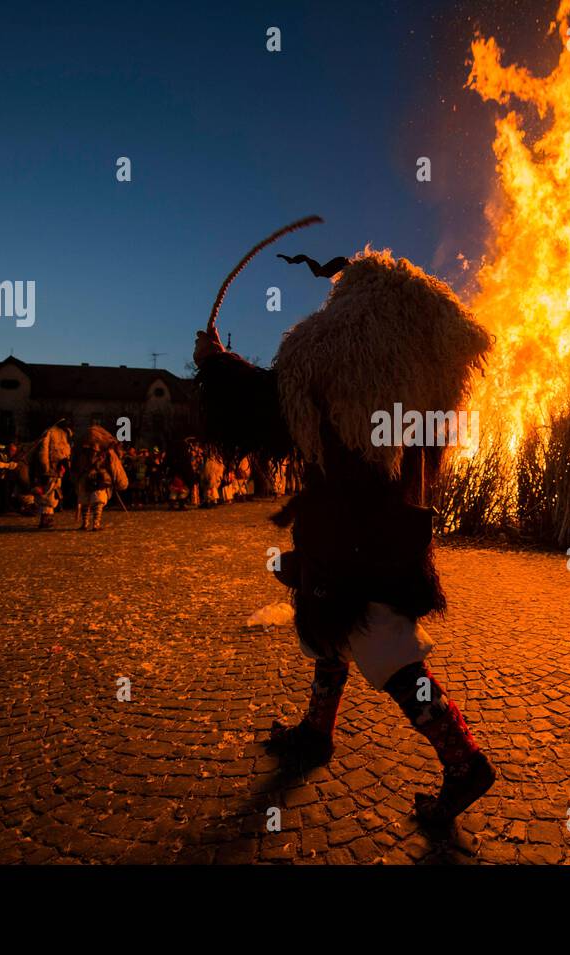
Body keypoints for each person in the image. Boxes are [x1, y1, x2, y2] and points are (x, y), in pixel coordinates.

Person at [195, 243, 495, 825]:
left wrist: (217, 362)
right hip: (387, 523)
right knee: (328, 630)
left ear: (352, 292)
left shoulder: (331, 344)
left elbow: (274, 408)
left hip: (352, 529)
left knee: (390, 656)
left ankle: (463, 761)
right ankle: (316, 731)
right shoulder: (425, 356)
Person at [72, 425, 128, 530]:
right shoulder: (104, 451)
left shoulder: (84, 450)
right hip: (98, 477)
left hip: (91, 476)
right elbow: (113, 465)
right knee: (94, 500)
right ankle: (93, 524)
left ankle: (87, 524)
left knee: (89, 500)